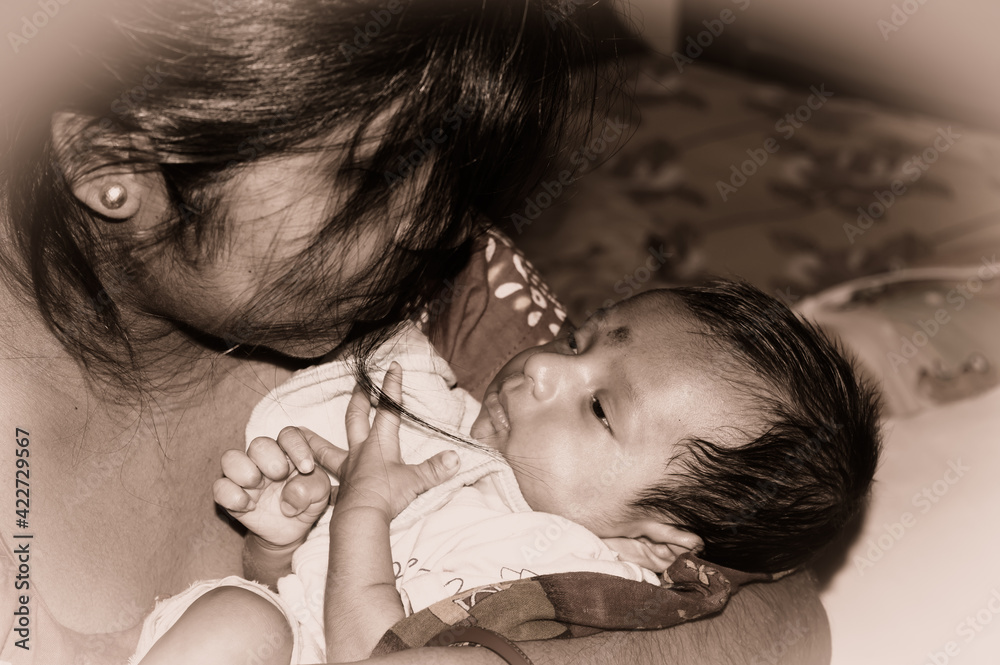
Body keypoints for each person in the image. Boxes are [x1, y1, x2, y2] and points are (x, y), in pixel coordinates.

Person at [0, 1, 833, 663]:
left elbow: (779, 602)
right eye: (380, 170)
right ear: (113, 166)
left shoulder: (433, 302)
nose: (435, 227)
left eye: (452, 162)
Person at [129, 281, 881, 664]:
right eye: (577, 339)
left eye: (599, 409)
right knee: (240, 618)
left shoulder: (573, 588)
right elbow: (292, 593)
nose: (545, 367)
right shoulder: (444, 429)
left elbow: (379, 652)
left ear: (659, 541)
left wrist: (361, 507)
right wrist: (279, 538)